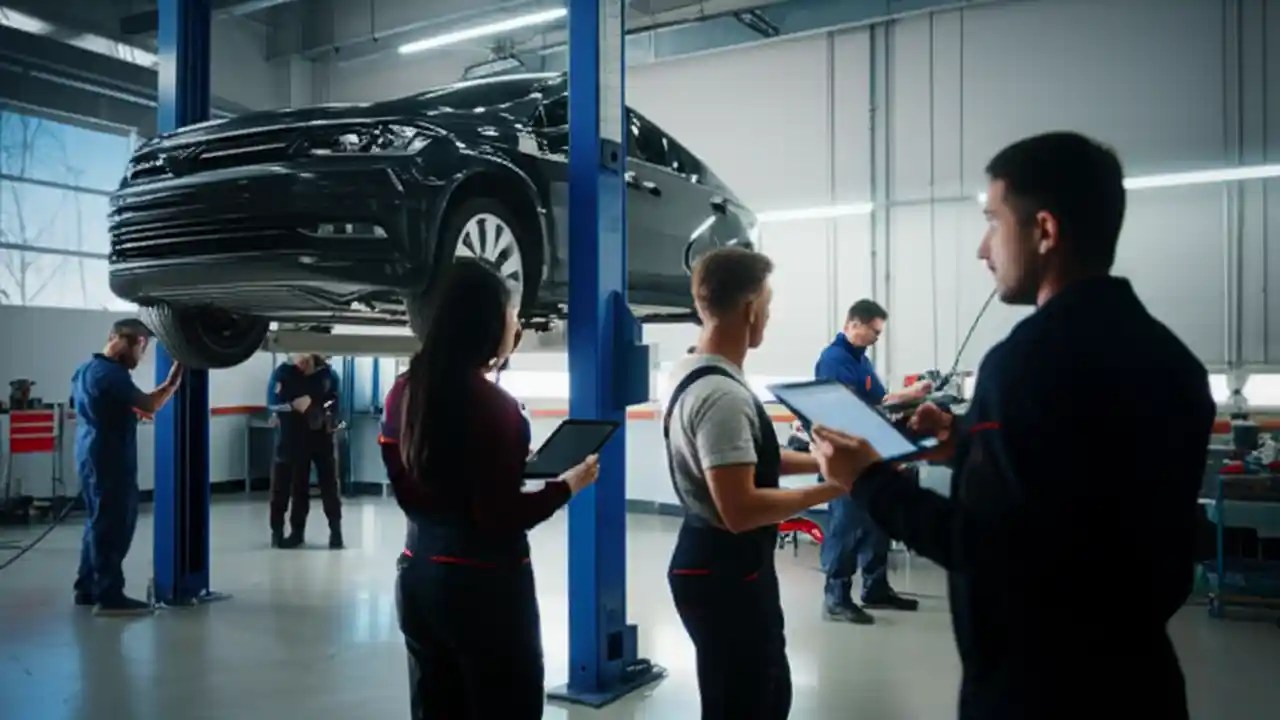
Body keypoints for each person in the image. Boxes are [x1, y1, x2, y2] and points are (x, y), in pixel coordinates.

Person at [808, 131, 1215, 720]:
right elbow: (1078, 492)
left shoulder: (1026, 361)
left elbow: (990, 550)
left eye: (992, 221)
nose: (983, 248)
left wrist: (868, 479)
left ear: (1044, 231)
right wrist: (965, 443)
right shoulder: (1173, 362)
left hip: (1039, 685)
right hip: (1138, 673)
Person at [392, 260, 600, 719]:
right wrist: (567, 485)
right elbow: (502, 516)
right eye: (512, 315)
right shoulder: (497, 408)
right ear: (487, 322)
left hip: (419, 577)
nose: (518, 325)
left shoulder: (402, 393)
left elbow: (438, 473)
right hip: (486, 592)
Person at [663, 247, 854, 720]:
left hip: (717, 562)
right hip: (724, 571)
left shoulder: (690, 370)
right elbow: (740, 506)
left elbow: (747, 461)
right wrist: (833, 487)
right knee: (748, 702)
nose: (767, 315)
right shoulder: (722, 395)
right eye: (766, 305)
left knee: (759, 690)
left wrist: (817, 458)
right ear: (750, 310)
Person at [815, 299, 932, 622]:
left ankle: (875, 587)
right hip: (846, 457)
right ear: (854, 324)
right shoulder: (834, 360)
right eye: (874, 332)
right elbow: (846, 412)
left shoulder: (861, 361)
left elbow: (880, 400)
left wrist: (915, 395)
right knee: (847, 527)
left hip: (870, 454)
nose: (876, 339)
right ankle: (836, 597)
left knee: (877, 524)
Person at [71, 319, 183, 616]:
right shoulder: (113, 375)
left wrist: (124, 416)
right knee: (114, 524)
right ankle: (109, 596)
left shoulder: (85, 370)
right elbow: (150, 404)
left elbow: (97, 407)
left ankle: (86, 588)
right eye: (140, 348)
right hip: (109, 458)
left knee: (97, 522)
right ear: (122, 340)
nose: (140, 355)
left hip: (89, 452)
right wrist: (172, 382)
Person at [267, 353, 343, 549]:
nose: (303, 363)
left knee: (329, 486)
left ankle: (336, 531)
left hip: (321, 439)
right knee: (293, 488)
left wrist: (328, 415)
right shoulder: (283, 374)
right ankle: (287, 532)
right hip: (291, 439)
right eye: (299, 359)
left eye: (307, 359)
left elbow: (334, 402)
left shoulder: (327, 375)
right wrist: (293, 406)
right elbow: (272, 403)